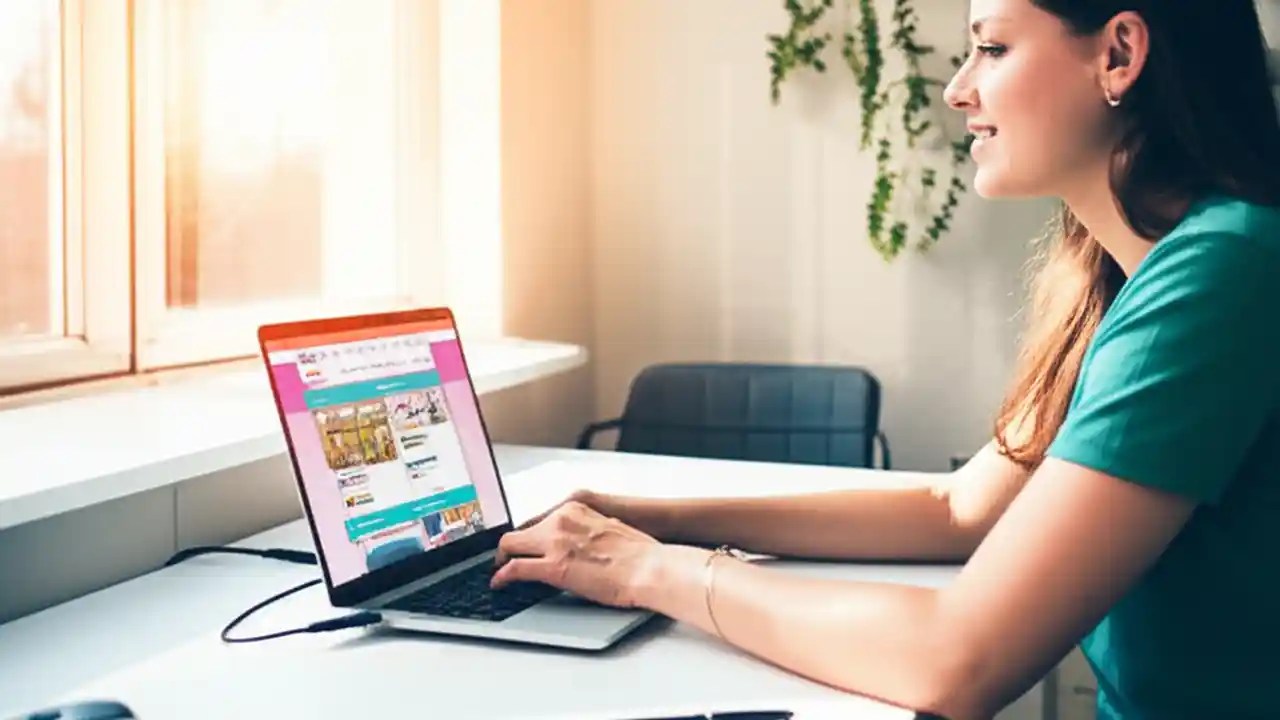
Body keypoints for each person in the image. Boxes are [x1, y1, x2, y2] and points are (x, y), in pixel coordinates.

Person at [492, 1, 1280, 718]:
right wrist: (650, 523)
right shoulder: (1136, 271)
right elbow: (959, 510)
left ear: (1119, 55)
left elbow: (956, 660)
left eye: (993, 49)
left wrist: (647, 573)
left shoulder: (1223, 273)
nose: (958, 91)